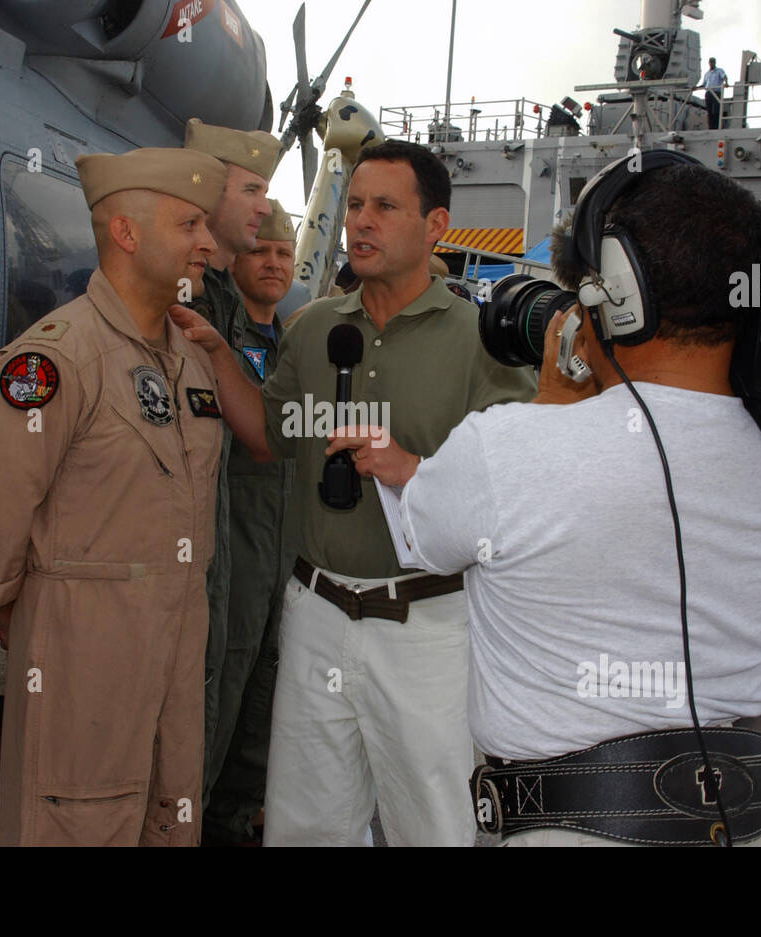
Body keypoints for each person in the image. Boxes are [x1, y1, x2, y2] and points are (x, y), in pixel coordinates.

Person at [391, 156, 761, 846]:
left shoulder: (506, 448)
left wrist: (549, 407)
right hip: (749, 821)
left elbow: (421, 538)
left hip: (569, 827)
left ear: (620, 294)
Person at [171, 139, 536, 846]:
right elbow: (267, 435)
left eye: (385, 207)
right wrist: (218, 356)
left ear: (435, 226)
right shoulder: (314, 330)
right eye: (355, 206)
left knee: (434, 825)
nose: (360, 222)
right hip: (316, 613)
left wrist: (414, 469)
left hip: (426, 625)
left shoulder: (480, 340)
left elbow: (517, 483)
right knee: (305, 824)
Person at [0, 147, 228, 846]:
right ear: (126, 233)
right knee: (75, 824)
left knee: (170, 817)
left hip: (177, 656)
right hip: (83, 657)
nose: (210, 245)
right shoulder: (57, 359)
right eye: (190, 224)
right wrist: (30, 611)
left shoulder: (189, 358)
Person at [181, 118, 281, 815]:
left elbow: (266, 438)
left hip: (242, 549)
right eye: (251, 189)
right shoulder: (182, 301)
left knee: (232, 695)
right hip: (202, 557)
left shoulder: (221, 310)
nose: (262, 204)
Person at [201, 200, 298, 844]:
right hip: (231, 544)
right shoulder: (217, 339)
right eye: (260, 249)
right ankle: (192, 814)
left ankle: (234, 817)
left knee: (267, 686)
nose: (272, 262)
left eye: (283, 253)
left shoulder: (291, 345)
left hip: (282, 550)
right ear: (234, 257)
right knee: (221, 683)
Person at [697, 57, 728, 130]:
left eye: (713, 62)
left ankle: (716, 127)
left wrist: (726, 83)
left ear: (715, 63)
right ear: (709, 63)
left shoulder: (719, 70)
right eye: (710, 62)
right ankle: (711, 127)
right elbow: (704, 84)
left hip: (716, 92)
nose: (712, 63)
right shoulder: (707, 74)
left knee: (717, 110)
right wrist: (696, 87)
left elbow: (724, 77)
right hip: (709, 93)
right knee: (709, 111)